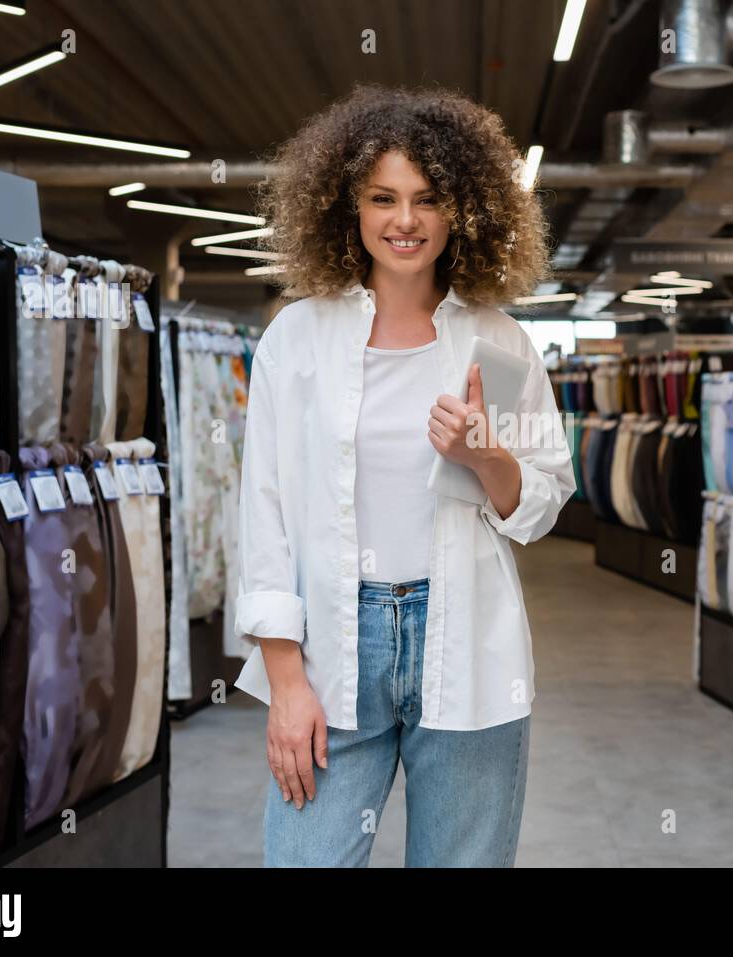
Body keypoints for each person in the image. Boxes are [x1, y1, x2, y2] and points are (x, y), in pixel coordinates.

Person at [233, 85, 575, 867]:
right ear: (346, 206)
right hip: (332, 642)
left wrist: (487, 457)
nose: (406, 220)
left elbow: (544, 500)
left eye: (428, 199)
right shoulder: (298, 339)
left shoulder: (501, 343)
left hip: (469, 647)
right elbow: (265, 517)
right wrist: (285, 683)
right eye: (382, 197)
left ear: (463, 209)